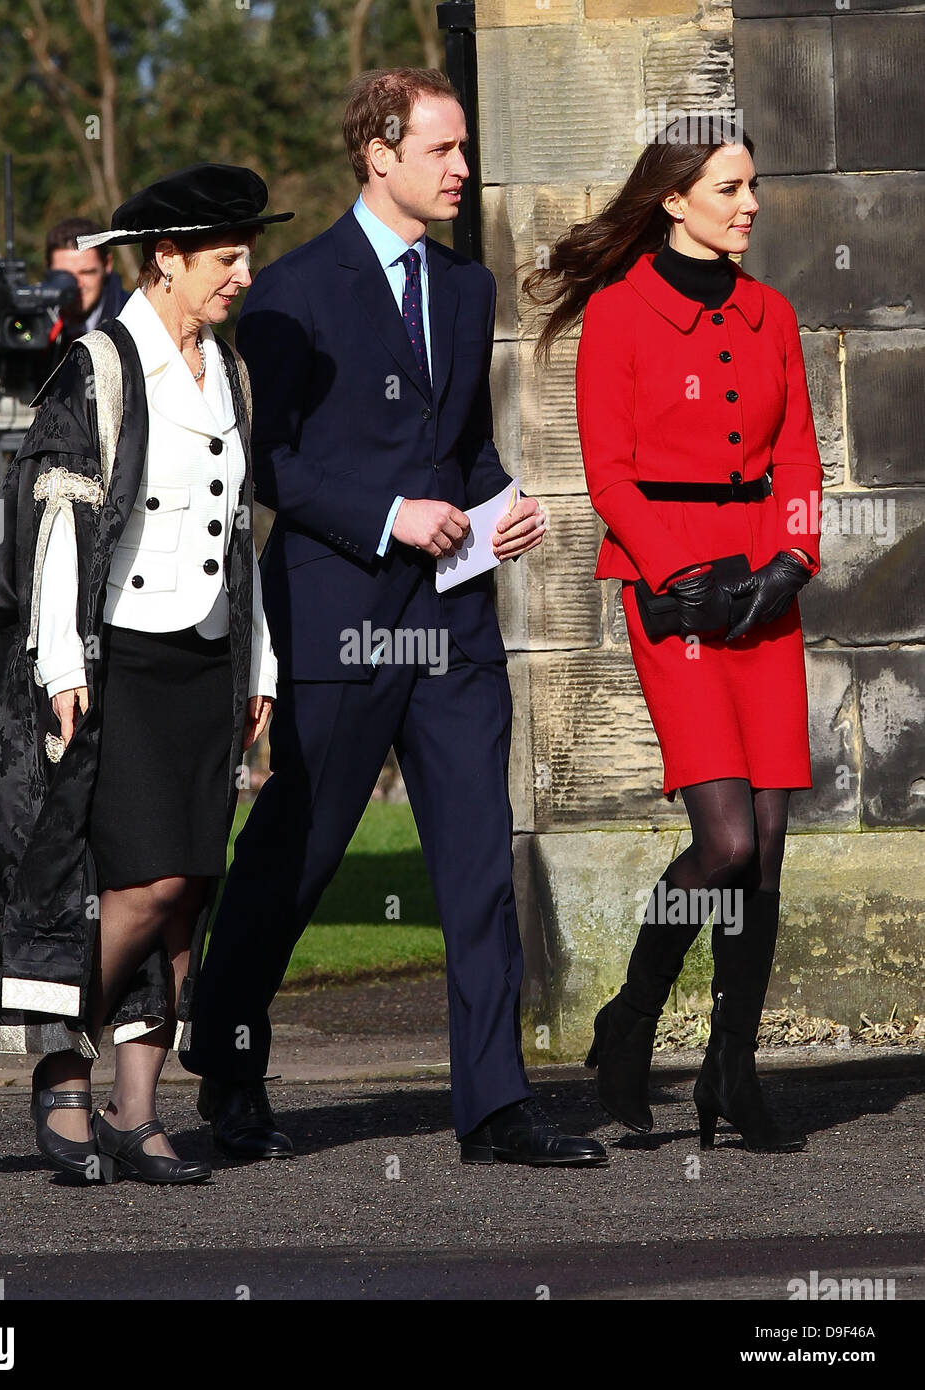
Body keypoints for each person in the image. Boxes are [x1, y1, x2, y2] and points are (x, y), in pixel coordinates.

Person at [180, 68, 608, 1170]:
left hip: (456, 618)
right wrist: (385, 515)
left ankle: (496, 1103)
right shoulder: (287, 291)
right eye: (442, 150)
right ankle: (227, 1066)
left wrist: (501, 507)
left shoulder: (467, 292)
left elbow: (462, 448)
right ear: (379, 153)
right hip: (337, 614)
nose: (464, 168)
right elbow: (266, 463)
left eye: (463, 148)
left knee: (476, 859)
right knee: (300, 853)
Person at [0, 164, 293, 1184]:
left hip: (210, 657)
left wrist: (263, 664)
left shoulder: (232, 372)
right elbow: (61, 523)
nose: (244, 275)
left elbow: (242, 533)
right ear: (166, 260)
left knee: (189, 888)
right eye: (226, 257)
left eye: (246, 254)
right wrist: (59, 663)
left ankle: (136, 1109)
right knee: (138, 885)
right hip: (122, 661)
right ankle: (59, 1057)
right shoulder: (101, 364)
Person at [524, 120, 822, 1153]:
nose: (750, 204)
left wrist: (788, 562)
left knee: (771, 850)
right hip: (673, 582)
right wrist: (686, 580)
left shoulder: (772, 310)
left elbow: (799, 459)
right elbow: (608, 472)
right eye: (730, 187)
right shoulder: (618, 314)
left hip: (764, 582)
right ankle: (629, 1020)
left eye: (753, 185)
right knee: (725, 839)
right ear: (674, 199)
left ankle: (732, 1068)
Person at [0, 217, 130, 372]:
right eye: (64, 278)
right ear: (48, 269)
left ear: (107, 265)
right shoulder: (26, 310)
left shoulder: (132, 318)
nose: (75, 286)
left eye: (86, 272)